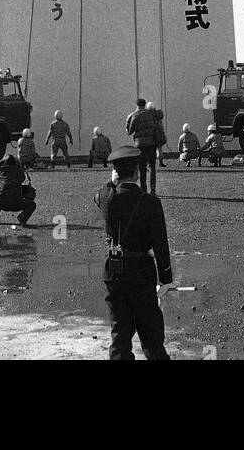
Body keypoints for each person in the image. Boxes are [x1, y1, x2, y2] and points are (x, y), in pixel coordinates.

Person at [95, 145, 174, 361]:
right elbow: (160, 244)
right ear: (138, 173)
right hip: (141, 271)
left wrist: (112, 181)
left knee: (120, 335)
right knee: (151, 335)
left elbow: (100, 193)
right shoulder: (150, 203)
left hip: (115, 270)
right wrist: (165, 278)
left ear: (115, 173)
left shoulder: (106, 198)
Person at [126, 98, 162, 194]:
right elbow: (160, 115)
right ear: (145, 105)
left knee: (142, 168)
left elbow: (130, 131)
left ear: (136, 105)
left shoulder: (134, 115)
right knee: (152, 167)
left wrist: (128, 121)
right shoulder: (151, 114)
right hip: (151, 143)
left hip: (139, 145)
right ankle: (153, 190)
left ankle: (143, 190)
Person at [0, 150, 37, 227]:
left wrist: (1, 161)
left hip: (2, 204)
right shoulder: (19, 172)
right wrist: (19, 164)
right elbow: (23, 178)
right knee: (32, 204)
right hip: (16, 204)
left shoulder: (1, 171)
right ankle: (22, 217)